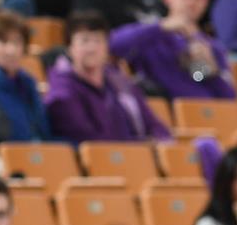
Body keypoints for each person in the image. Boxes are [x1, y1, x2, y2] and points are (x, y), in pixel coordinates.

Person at [111, 0, 237, 102]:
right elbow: (114, 44)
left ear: (205, 2)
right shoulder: (152, 35)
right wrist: (161, 26)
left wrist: (212, 72)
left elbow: (228, 100)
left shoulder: (210, 45)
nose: (191, 2)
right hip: (163, 114)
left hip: (205, 116)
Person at [46, 12, 172, 144]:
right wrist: (141, 146)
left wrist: (160, 141)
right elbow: (87, 138)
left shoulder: (121, 82)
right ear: (70, 48)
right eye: (84, 41)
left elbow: (154, 125)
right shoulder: (62, 91)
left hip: (132, 157)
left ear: (107, 47)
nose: (92, 48)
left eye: (98, 41)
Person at [0, 12, 53, 143]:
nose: (11, 50)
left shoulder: (27, 82)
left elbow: (42, 128)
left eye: (17, 42)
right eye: (3, 42)